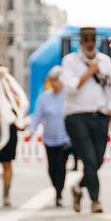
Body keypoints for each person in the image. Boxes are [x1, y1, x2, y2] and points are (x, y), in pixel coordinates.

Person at [60, 27, 111, 214]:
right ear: (81, 42)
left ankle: (78, 187)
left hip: (99, 115)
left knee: (98, 159)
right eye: (86, 39)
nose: (89, 43)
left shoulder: (106, 62)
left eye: (92, 39)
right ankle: (95, 200)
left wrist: (110, 110)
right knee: (89, 158)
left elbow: (110, 89)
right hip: (77, 115)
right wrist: (89, 71)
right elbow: (71, 87)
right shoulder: (70, 62)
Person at [36, 68, 71, 206]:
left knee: (61, 166)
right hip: (49, 139)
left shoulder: (68, 96)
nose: (55, 83)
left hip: (64, 138)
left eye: (57, 80)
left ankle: (59, 193)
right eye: (52, 81)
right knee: (51, 167)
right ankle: (56, 188)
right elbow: (38, 115)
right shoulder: (44, 97)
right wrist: (31, 129)